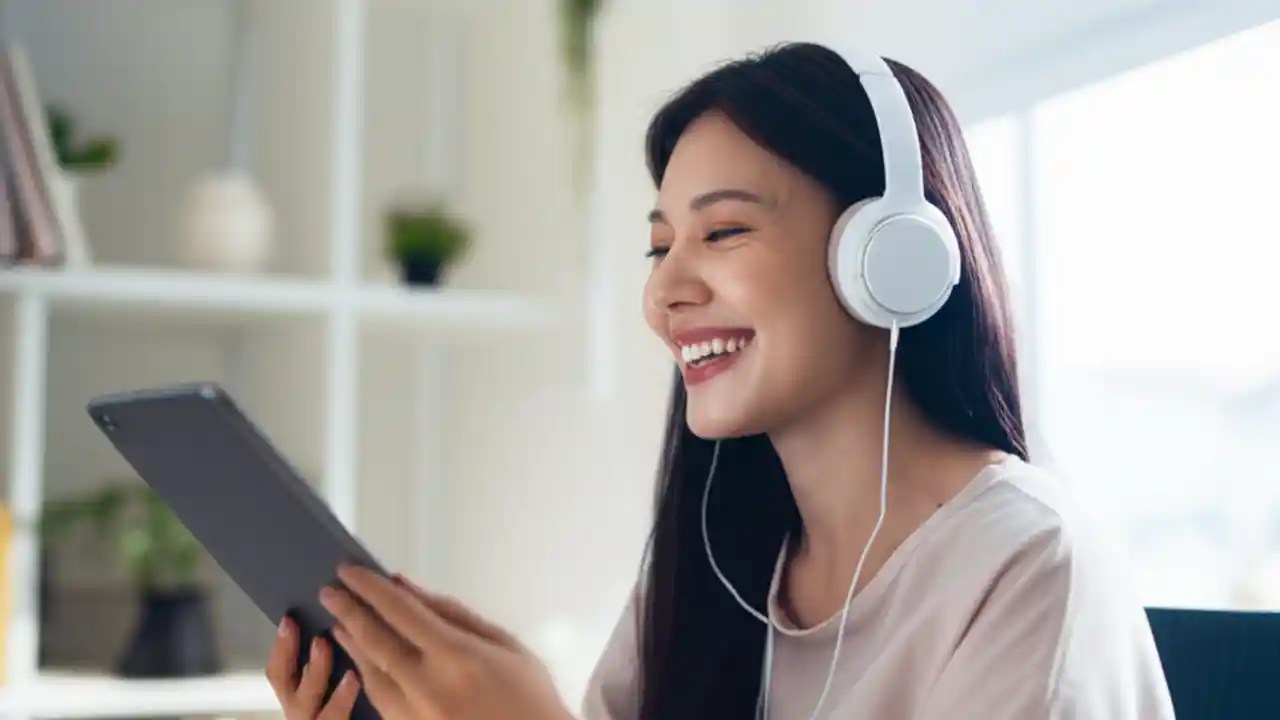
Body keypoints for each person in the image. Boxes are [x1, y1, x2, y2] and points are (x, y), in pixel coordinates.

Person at [264, 41, 1175, 720]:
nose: (666, 290)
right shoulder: (715, 557)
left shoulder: (1027, 566)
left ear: (888, 255)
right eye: (659, 246)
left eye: (723, 232)